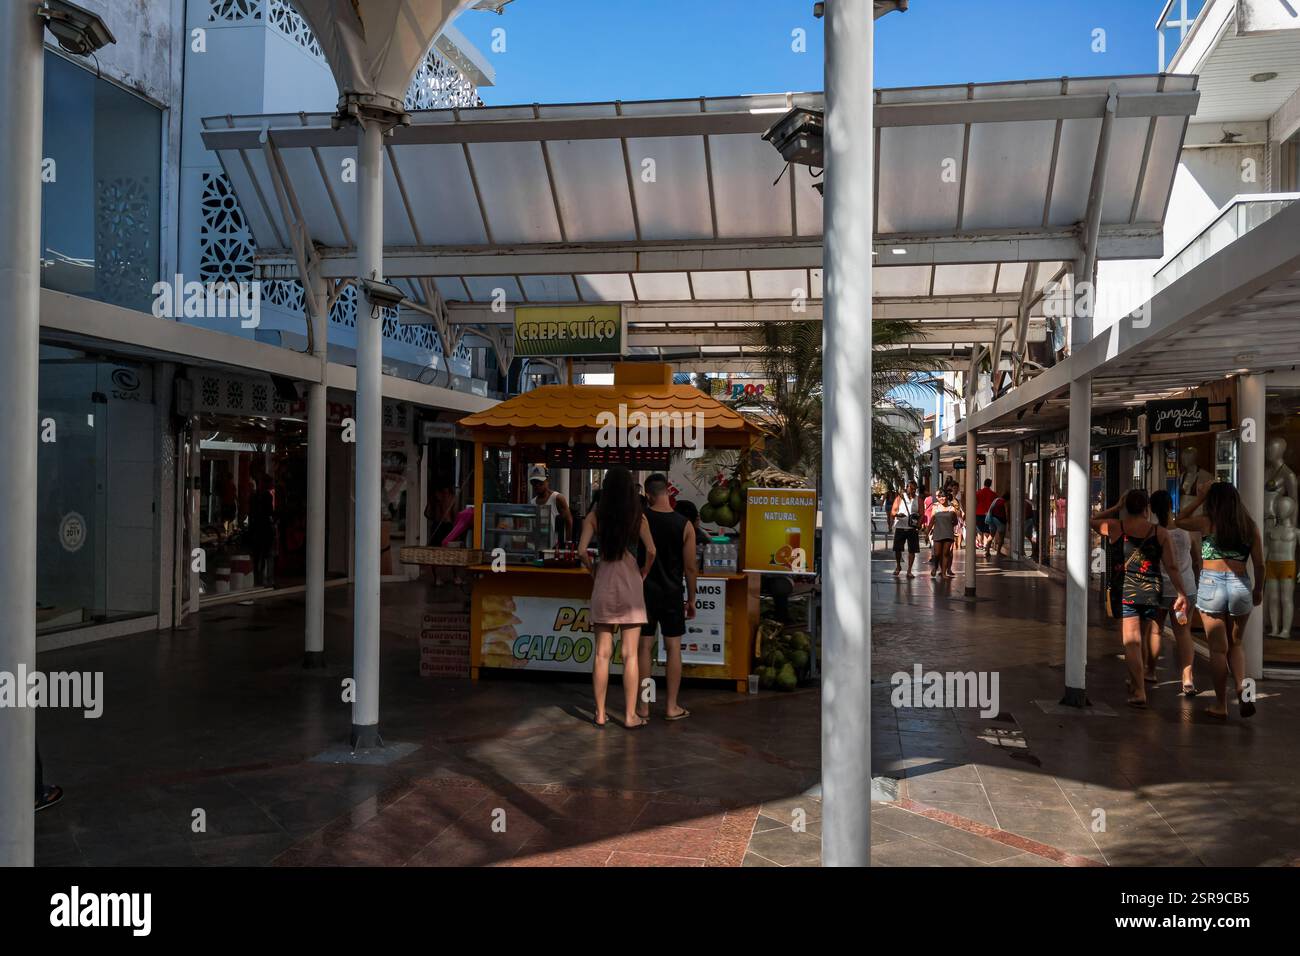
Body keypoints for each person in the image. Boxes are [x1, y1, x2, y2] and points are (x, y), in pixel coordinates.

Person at [1092, 490, 1189, 708]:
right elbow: (1172, 566)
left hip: (1125, 589)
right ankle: (1138, 679)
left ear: (1127, 507)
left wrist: (1116, 508)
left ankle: (1138, 689)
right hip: (1151, 590)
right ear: (1146, 508)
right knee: (1142, 636)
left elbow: (1092, 521)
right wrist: (1181, 592)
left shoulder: (1116, 527)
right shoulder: (1160, 532)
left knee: (1131, 641)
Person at [1175, 482, 1263, 720]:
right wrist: (1258, 590)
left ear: (1213, 503)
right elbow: (1260, 564)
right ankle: (1242, 691)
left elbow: (1178, 520)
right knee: (1236, 645)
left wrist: (1200, 499)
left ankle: (1221, 704)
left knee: (1217, 649)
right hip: (1240, 584)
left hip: (1211, 584)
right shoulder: (1249, 526)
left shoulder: (1207, 523)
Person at [578, 466, 657, 729]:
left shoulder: (595, 516)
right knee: (630, 655)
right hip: (631, 586)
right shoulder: (639, 517)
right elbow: (653, 551)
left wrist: (592, 571)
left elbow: (581, 551)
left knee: (601, 654)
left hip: (604, 582)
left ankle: (600, 714)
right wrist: (643, 572)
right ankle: (630, 715)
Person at [636, 474, 696, 722]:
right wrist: (691, 599)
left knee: (645, 647)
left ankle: (644, 707)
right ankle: (671, 706)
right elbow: (690, 568)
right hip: (672, 594)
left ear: (648, 495)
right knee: (673, 648)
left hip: (644, 592)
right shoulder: (685, 525)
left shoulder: (640, 519)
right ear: (668, 493)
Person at [1149, 489, 1198, 696]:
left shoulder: (1154, 532)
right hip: (1185, 589)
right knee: (1183, 633)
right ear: (1171, 506)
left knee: (1155, 630)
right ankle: (1187, 679)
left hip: (1160, 589)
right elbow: (1197, 561)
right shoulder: (1188, 531)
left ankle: (1150, 671)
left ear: (1152, 509)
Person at [528, 464, 573, 546]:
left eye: (540, 483)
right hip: (538, 545)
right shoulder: (532, 502)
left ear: (547, 481)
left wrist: (568, 543)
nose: (537, 485)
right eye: (534, 483)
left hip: (555, 546)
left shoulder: (557, 498)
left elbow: (569, 521)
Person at [246, 472, 276, 588]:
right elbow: (269, 512)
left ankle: (256, 576)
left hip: (255, 527)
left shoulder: (254, 496)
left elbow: (251, 512)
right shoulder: (267, 496)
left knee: (257, 553)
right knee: (264, 554)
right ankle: (263, 576)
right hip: (264, 527)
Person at [925, 489, 962, 578]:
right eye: (940, 496)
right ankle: (935, 567)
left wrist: (950, 525)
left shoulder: (952, 508)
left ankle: (944, 572)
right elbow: (931, 522)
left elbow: (956, 521)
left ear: (947, 497)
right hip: (938, 533)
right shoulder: (935, 507)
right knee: (937, 553)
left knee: (946, 553)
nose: (942, 498)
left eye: (944, 496)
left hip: (948, 533)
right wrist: (927, 533)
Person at [890, 480, 922, 577]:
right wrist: (897, 515)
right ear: (906, 487)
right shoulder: (899, 498)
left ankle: (909, 570)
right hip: (900, 526)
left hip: (912, 528)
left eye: (914, 488)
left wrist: (918, 524)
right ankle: (898, 566)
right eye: (910, 488)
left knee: (912, 550)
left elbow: (922, 513)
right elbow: (893, 512)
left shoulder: (918, 500)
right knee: (897, 549)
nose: (912, 490)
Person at [974, 478, 997, 553]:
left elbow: (975, 502)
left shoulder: (978, 492)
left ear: (984, 483)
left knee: (980, 529)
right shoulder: (993, 494)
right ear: (990, 484)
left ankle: (980, 544)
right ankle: (985, 544)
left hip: (979, 512)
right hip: (988, 514)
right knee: (987, 529)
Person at [986, 489, 1009, 557]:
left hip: (992, 519)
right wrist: (1008, 521)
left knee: (991, 535)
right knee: (1001, 536)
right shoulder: (1005, 502)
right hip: (1001, 520)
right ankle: (998, 552)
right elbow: (1006, 512)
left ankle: (987, 551)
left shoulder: (996, 500)